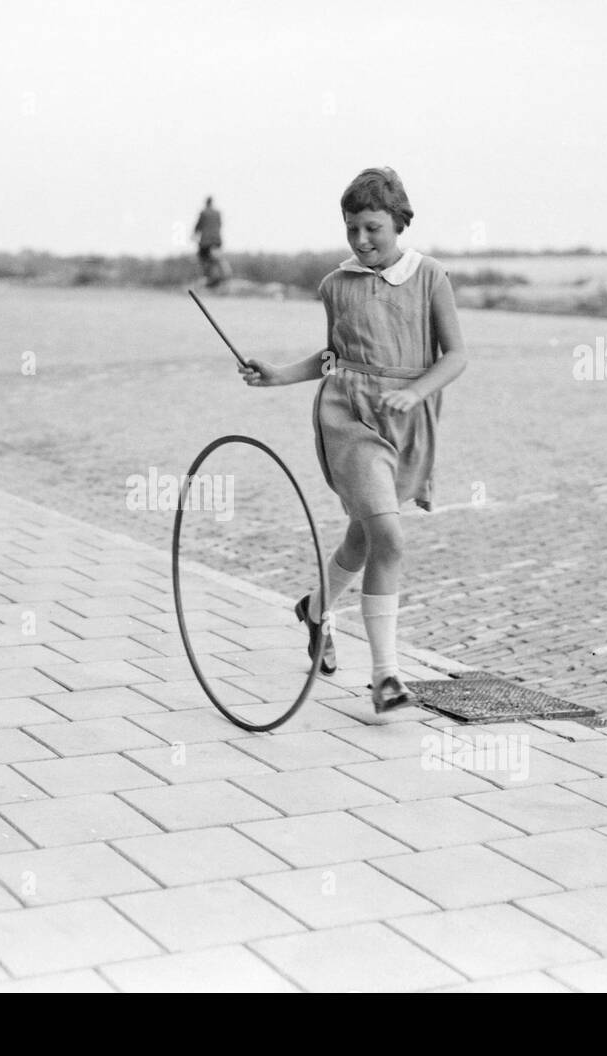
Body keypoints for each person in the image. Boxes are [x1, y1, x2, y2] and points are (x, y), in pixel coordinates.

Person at [235, 167, 468, 717]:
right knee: (389, 538)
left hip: (406, 421)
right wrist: (277, 376)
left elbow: (455, 355)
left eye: (372, 228)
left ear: (399, 222)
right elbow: (331, 358)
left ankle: (315, 610)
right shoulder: (334, 284)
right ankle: (386, 679)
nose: (361, 241)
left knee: (363, 541)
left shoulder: (430, 276)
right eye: (351, 230)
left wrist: (415, 393)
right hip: (348, 418)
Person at [193, 196, 227, 286]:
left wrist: (194, 234)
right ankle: (220, 277)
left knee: (203, 259)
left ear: (206, 203)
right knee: (217, 259)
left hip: (206, 242)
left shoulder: (204, 213)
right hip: (217, 240)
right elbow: (220, 224)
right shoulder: (217, 213)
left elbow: (198, 226)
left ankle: (209, 278)